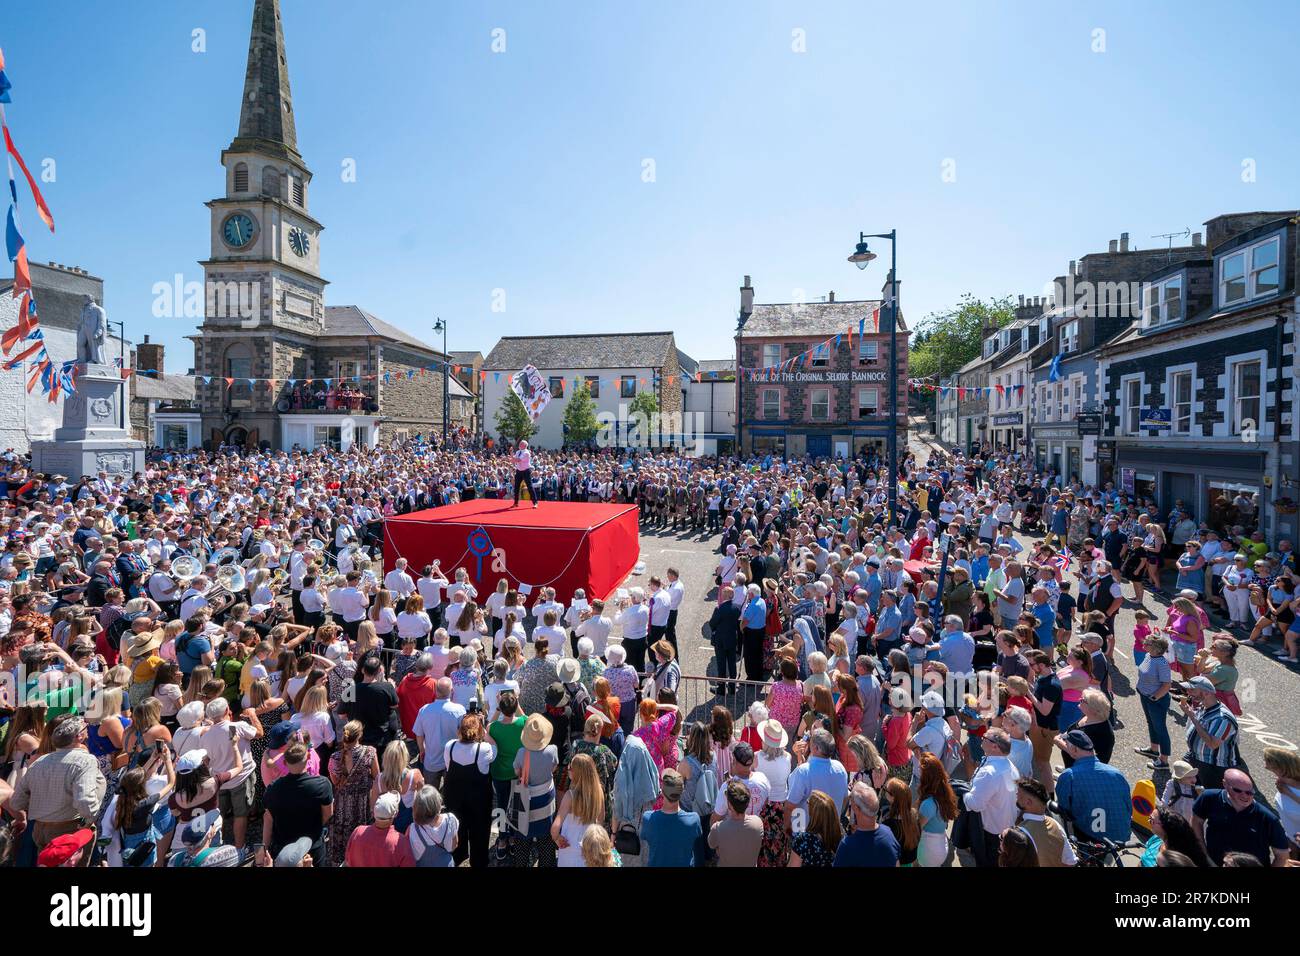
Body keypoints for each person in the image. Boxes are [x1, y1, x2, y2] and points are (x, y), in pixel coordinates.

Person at [8, 717, 106, 866]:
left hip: (40, 830)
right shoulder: (85, 761)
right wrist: (88, 821)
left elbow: (16, 802)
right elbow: (85, 801)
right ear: (79, 737)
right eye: (84, 729)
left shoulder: (39, 762)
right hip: (69, 831)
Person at [258, 742, 333, 868]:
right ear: (308, 757)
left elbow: (268, 819)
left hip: (282, 849)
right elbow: (328, 814)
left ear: (285, 762)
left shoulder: (273, 788)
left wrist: (263, 849)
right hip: (313, 845)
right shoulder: (322, 785)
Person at [1053, 729, 1132, 846]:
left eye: (1067, 746)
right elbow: (1128, 805)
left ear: (1074, 750)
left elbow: (1064, 808)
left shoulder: (1069, 776)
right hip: (1121, 835)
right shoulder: (1117, 773)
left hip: (1091, 837)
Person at [442, 713, 495, 868]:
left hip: (455, 799)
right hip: (478, 802)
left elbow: (447, 767)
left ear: (460, 730)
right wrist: (485, 733)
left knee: (457, 829)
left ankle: (458, 855)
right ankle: (478, 862)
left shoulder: (449, 746)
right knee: (480, 834)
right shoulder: (483, 749)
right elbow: (495, 750)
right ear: (478, 731)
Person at [961, 727, 1021, 867]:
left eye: (985, 737)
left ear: (995, 746)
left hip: (990, 835)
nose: (982, 738)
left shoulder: (990, 772)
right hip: (1005, 828)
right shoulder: (1009, 765)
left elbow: (975, 804)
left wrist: (963, 792)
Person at [327, 720, 380, 867]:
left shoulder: (334, 758)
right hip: (364, 801)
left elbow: (335, 782)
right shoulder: (370, 752)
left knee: (343, 832)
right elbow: (377, 777)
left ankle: (343, 859)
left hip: (343, 802)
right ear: (359, 735)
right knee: (363, 830)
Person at [1178, 675, 1240, 790]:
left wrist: (1192, 717)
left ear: (1207, 693)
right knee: (1182, 785)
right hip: (1195, 757)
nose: (1188, 692)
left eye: (1193, 690)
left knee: (1207, 796)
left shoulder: (1222, 718)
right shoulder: (1203, 706)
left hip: (1213, 766)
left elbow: (1212, 744)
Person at [551, 752, 606, 867]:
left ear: (577, 773)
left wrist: (557, 838)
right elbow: (600, 821)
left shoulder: (570, 796)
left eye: (570, 767)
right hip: (589, 846)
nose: (568, 769)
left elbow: (555, 828)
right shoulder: (599, 792)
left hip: (569, 847)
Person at [640, 768, 701, 867]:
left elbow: (645, 836)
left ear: (662, 792)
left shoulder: (648, 818)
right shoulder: (694, 820)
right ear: (682, 791)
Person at [412, 677, 465, 790]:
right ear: (452, 691)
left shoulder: (424, 710)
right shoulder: (460, 710)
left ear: (435, 691)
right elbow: (464, 733)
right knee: (451, 792)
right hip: (452, 760)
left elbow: (419, 734)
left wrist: (422, 750)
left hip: (431, 759)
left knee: (430, 793)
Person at [833, 782, 899, 867]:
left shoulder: (847, 846)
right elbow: (897, 864)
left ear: (856, 808)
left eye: (851, 800)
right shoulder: (889, 834)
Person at [1014, 777, 1076, 867]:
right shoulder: (1056, 824)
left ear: (1028, 802)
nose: (1016, 795)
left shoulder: (1020, 832)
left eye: (1018, 794)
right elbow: (1070, 862)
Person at [1134, 634, 1173, 770]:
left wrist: (1155, 697)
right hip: (1145, 695)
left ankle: (1164, 760)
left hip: (1156, 700)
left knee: (1160, 728)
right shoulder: (1148, 656)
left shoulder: (1162, 663)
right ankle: (1153, 749)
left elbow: (1167, 684)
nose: (1143, 644)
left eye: (1147, 643)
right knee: (1151, 723)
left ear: (1156, 648)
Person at [396, 785, 459, 867]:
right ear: (438, 803)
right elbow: (454, 846)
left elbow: (409, 854)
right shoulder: (451, 820)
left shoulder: (412, 829)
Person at [708, 780, 764, 867]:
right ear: (747, 802)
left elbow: (712, 844)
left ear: (729, 805)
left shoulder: (718, 828)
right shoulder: (758, 823)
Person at [345, 792, 406, 867]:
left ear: (374, 813)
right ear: (396, 814)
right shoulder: (401, 842)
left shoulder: (357, 832)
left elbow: (348, 860)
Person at [511, 439, 538, 508]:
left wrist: (512, 457)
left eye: (521, 444)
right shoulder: (518, 452)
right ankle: (516, 503)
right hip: (519, 471)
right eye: (520, 443)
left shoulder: (526, 453)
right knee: (516, 487)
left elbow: (518, 460)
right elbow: (513, 461)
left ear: (525, 445)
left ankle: (535, 503)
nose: (519, 444)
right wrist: (511, 453)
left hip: (526, 471)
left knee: (530, 486)